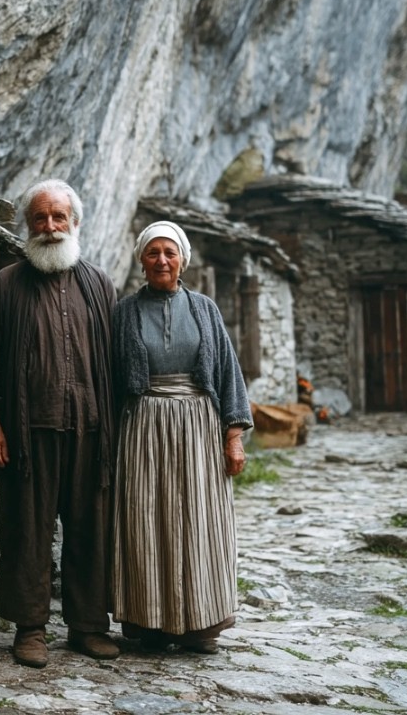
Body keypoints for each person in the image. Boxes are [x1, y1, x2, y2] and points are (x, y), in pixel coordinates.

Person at [0, 179, 120, 668]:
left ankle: (88, 626)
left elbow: (115, 361)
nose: (50, 227)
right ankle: (30, 629)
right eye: (40, 218)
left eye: (59, 218)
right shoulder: (6, 285)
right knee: (26, 531)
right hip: (27, 434)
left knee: (90, 531)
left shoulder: (100, 285)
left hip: (91, 432)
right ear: (27, 225)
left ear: (75, 223)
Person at [110, 220, 252, 654]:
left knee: (199, 520)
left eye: (170, 253)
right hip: (143, 426)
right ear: (141, 260)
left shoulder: (204, 309)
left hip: (198, 427)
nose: (162, 261)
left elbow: (227, 373)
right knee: (144, 519)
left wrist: (233, 436)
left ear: (183, 260)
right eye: (153, 253)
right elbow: (110, 379)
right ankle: (149, 623)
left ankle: (199, 624)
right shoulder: (124, 312)